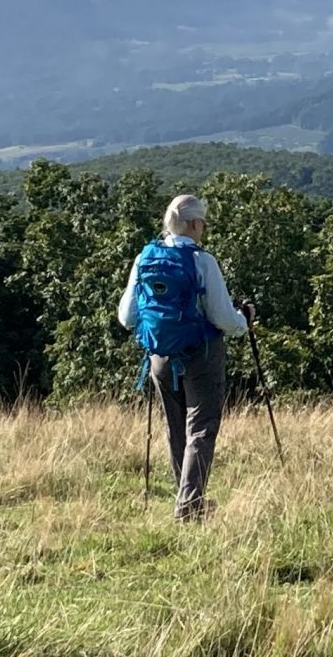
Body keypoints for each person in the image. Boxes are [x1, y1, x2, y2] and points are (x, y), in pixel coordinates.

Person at [118, 194, 252, 522]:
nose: (203, 229)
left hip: (160, 357)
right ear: (193, 223)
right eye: (202, 223)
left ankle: (186, 497)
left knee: (175, 428)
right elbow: (222, 317)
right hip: (201, 354)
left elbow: (127, 316)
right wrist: (244, 322)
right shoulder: (202, 261)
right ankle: (189, 507)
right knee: (202, 428)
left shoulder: (145, 257)